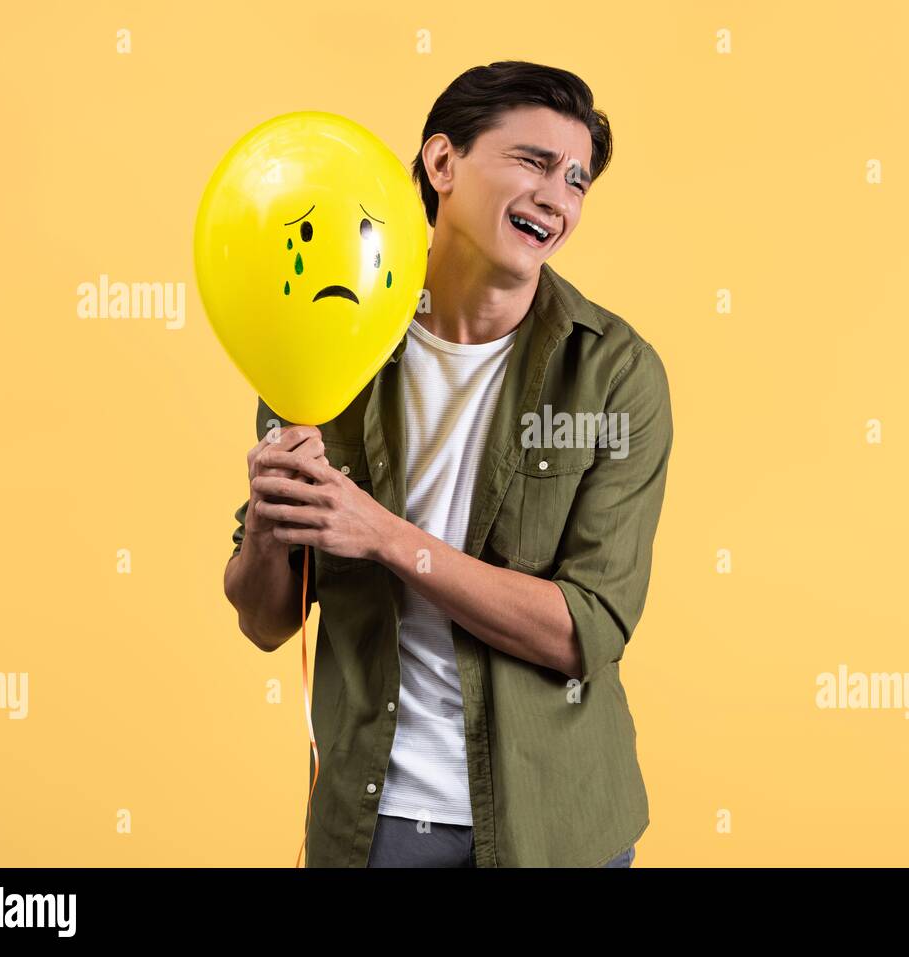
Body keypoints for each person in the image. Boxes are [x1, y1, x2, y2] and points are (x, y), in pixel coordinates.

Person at [224, 61, 672, 867]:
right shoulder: (325, 339)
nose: (558, 197)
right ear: (441, 164)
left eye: (576, 180)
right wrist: (267, 526)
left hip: (557, 824)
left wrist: (387, 537)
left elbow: (587, 629)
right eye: (533, 162)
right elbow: (265, 621)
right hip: (375, 820)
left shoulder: (613, 372)